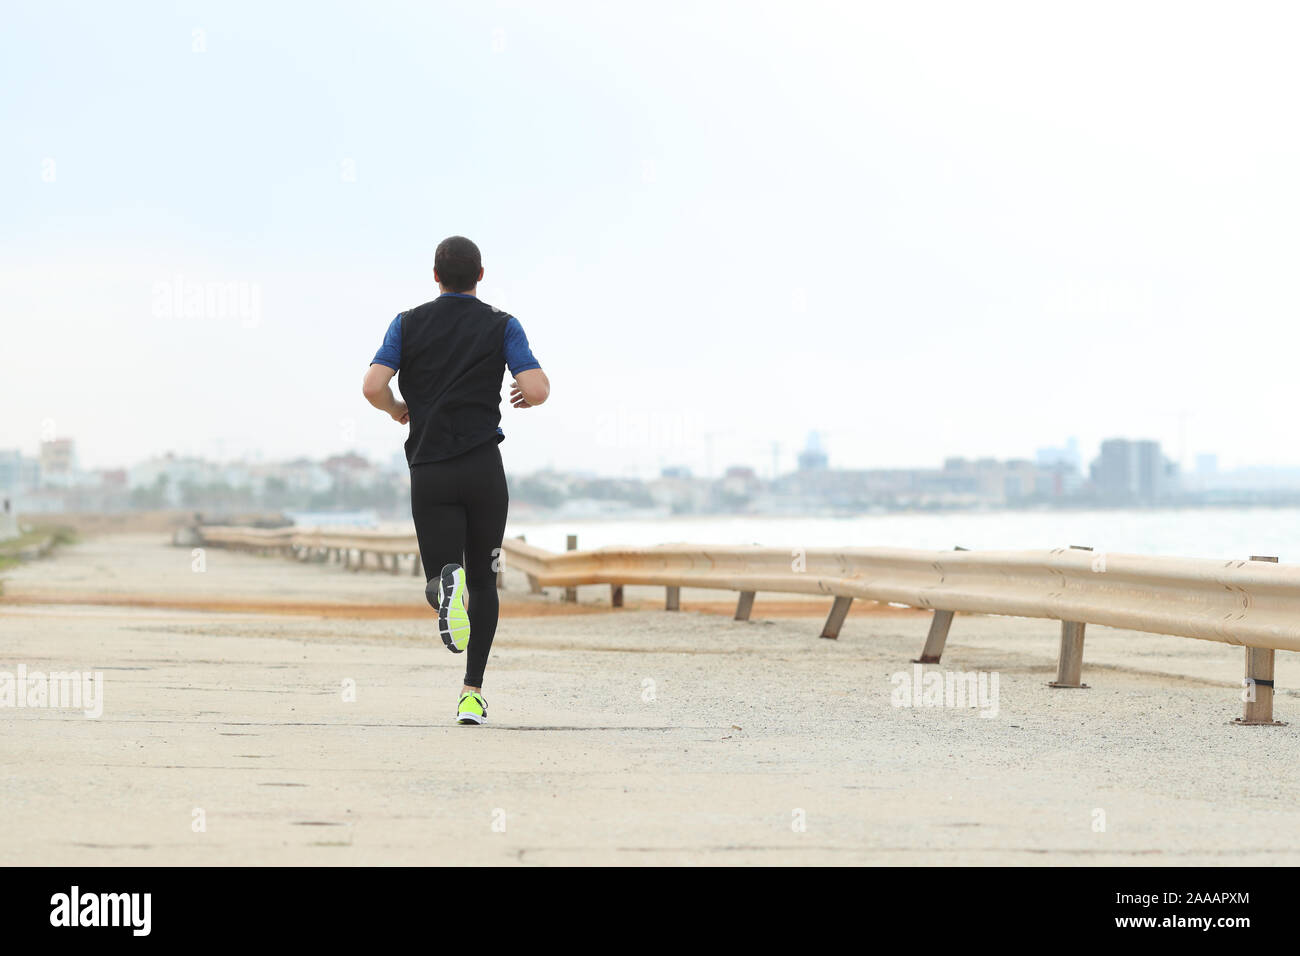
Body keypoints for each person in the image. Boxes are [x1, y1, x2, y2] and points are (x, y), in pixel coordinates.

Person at [362, 236, 550, 724]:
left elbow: (372, 386)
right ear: (480, 276)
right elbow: (536, 388)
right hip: (483, 470)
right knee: (485, 585)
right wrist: (527, 398)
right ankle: (472, 693)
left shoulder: (406, 323)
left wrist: (397, 409)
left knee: (441, 577)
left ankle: (447, 586)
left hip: (431, 472)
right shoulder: (502, 324)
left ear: (435, 274)